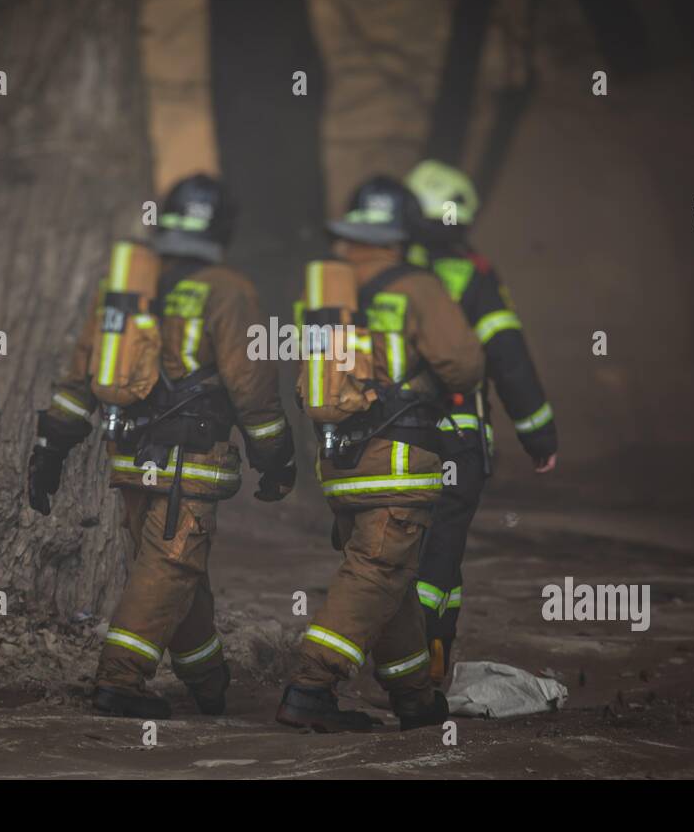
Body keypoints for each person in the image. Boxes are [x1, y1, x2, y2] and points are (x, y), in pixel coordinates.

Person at [27, 174, 296, 719]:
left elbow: (80, 376)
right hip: (188, 461)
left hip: (128, 456)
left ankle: (208, 677)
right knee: (171, 566)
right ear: (222, 228)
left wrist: (50, 449)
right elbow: (251, 386)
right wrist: (278, 458)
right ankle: (120, 680)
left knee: (174, 568)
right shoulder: (226, 288)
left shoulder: (129, 286)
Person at [275, 176, 484, 733]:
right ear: (402, 233)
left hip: (339, 461)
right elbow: (463, 367)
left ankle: (415, 698)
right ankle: (309, 686)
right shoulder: (417, 288)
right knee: (375, 572)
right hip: (399, 457)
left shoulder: (324, 295)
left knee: (391, 576)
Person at [403, 160, 558, 684]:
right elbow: (508, 356)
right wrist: (537, 431)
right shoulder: (471, 274)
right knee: (442, 544)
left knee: (388, 542)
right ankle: (425, 656)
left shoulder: (379, 273)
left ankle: (412, 654)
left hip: (384, 437)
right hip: (457, 437)